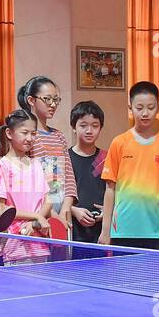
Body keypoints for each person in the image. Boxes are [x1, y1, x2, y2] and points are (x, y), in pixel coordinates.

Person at [99, 81, 159, 250]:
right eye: (139, 108)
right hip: (122, 230)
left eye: (151, 108)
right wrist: (105, 229)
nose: (145, 113)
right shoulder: (119, 142)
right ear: (130, 107)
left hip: (158, 231)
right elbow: (110, 188)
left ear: (158, 107)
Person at [0, 109, 52, 264]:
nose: (29, 138)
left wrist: (35, 223)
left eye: (33, 133)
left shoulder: (37, 165)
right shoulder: (1, 167)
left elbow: (48, 201)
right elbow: (3, 210)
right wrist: (36, 217)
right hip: (16, 244)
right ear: (9, 133)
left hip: (39, 239)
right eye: (24, 133)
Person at [19, 76, 77, 230]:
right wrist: (52, 213)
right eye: (47, 99)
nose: (53, 104)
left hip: (62, 206)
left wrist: (66, 207)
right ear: (31, 100)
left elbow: (69, 175)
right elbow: (29, 183)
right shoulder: (27, 137)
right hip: (39, 209)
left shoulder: (58, 135)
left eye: (56, 100)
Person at [67, 100, 107, 244]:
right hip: (72, 229)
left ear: (100, 128)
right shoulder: (63, 159)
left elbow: (118, 192)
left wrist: (108, 211)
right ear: (74, 127)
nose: (89, 131)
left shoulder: (106, 158)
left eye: (95, 126)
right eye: (83, 125)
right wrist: (73, 210)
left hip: (102, 230)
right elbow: (53, 197)